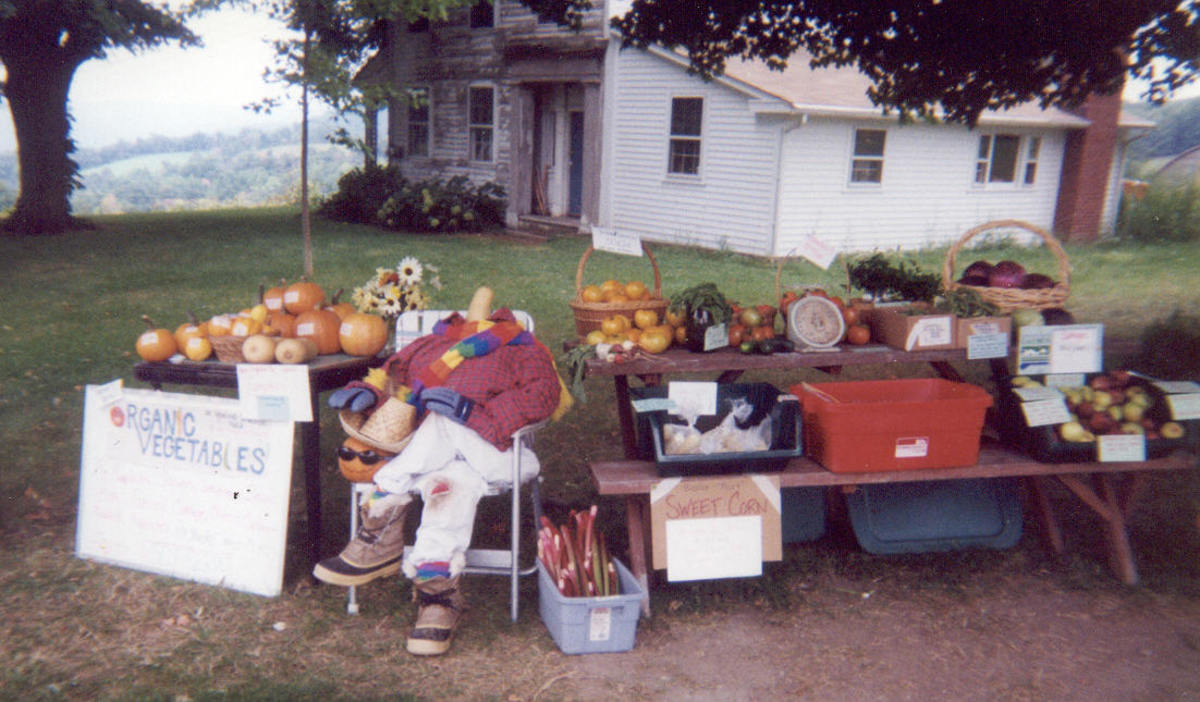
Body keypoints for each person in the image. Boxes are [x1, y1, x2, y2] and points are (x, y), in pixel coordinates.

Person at [314, 288, 568, 656]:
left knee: (446, 421)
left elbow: (544, 396)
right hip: (437, 462)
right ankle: (436, 599)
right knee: (448, 487)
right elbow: (391, 374)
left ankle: (382, 512)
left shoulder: (520, 348)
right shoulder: (432, 344)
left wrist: (472, 415)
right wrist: (368, 392)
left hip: (499, 454)